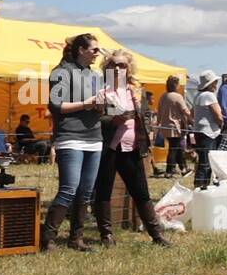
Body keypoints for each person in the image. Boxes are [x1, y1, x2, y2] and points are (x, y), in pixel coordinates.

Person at [93, 50, 170, 247]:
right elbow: (94, 119)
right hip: (108, 147)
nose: (118, 68)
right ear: (107, 68)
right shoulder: (100, 90)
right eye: (113, 65)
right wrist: (113, 120)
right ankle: (106, 235)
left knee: (141, 191)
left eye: (122, 65)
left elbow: (144, 118)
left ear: (129, 69)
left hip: (133, 147)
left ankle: (157, 234)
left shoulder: (136, 91)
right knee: (103, 190)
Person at [42, 33, 104, 252]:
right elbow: (56, 106)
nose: (98, 53)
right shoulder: (62, 72)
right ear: (81, 50)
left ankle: (76, 238)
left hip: (94, 137)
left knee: (86, 191)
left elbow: (100, 107)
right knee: (69, 188)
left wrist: (102, 105)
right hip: (70, 136)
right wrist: (86, 104)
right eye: (94, 49)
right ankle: (47, 237)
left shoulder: (95, 75)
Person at [192, 70, 224, 190]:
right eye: (215, 82)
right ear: (211, 84)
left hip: (199, 131)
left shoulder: (198, 96)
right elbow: (217, 115)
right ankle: (202, 185)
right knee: (207, 162)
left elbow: (192, 113)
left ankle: (200, 185)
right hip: (209, 133)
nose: (216, 85)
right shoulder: (209, 96)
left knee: (202, 160)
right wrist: (221, 123)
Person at [157, 75, 192, 178]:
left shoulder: (163, 96)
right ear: (176, 85)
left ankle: (183, 168)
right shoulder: (177, 96)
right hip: (174, 126)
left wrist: (158, 123)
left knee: (177, 148)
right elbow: (185, 110)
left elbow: (159, 111)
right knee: (174, 148)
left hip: (165, 126)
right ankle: (169, 170)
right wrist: (191, 119)